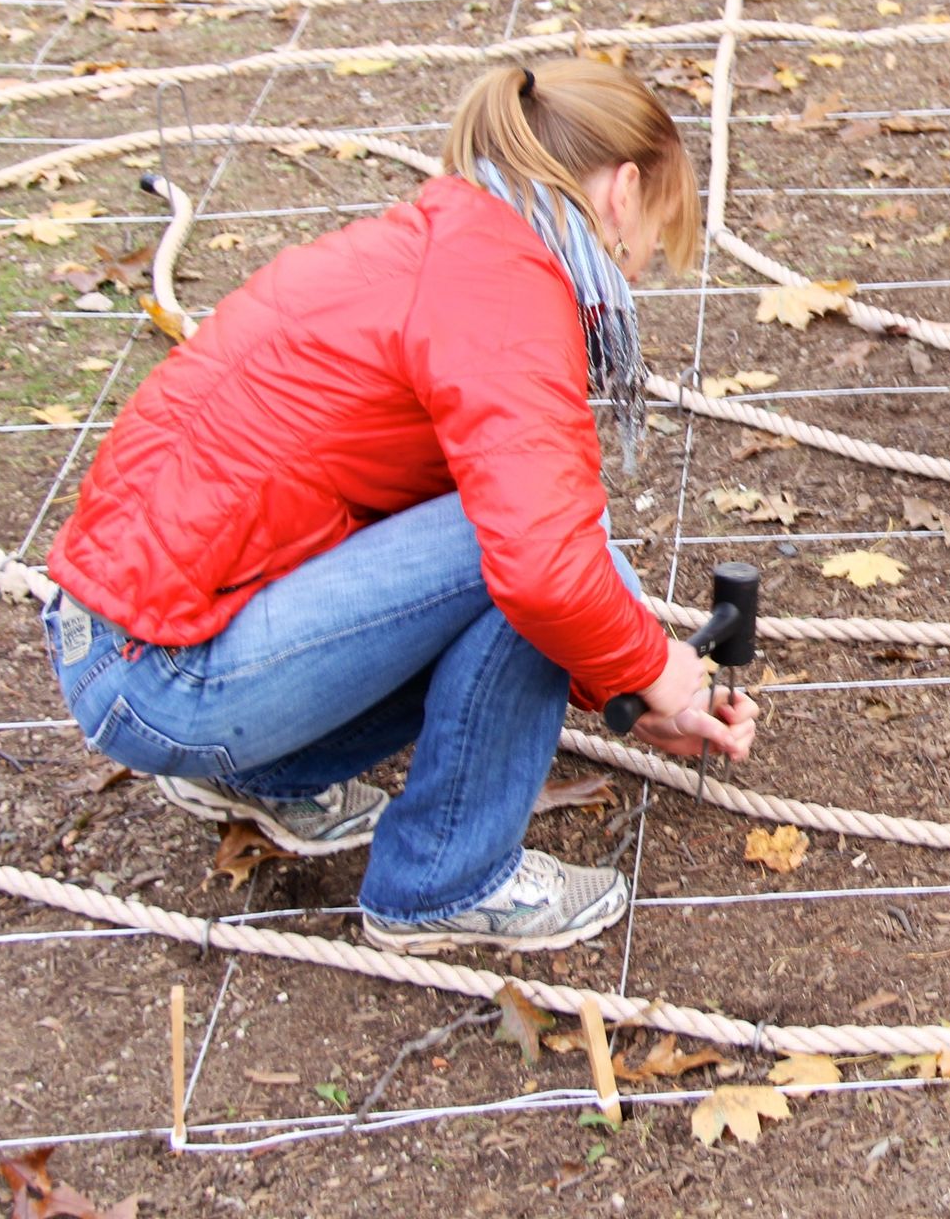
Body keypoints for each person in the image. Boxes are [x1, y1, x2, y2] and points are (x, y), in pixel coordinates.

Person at [41, 57, 757, 954]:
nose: (641, 269)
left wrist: (625, 685)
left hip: (123, 629)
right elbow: (540, 567)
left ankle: (263, 774)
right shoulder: (508, 295)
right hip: (160, 674)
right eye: (652, 236)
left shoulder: (450, 240)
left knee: (547, 547)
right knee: (543, 556)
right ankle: (446, 881)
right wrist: (655, 670)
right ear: (622, 193)